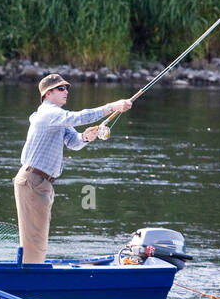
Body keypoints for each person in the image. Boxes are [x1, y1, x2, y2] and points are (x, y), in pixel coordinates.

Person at [14, 74, 132, 264]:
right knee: (35, 239)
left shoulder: (57, 118)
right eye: (61, 88)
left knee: (38, 237)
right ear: (47, 93)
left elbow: (73, 142)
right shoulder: (49, 113)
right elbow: (77, 117)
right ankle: (30, 278)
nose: (66, 91)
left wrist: (85, 137)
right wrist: (112, 107)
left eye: (66, 88)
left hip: (41, 183)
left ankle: (32, 273)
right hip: (33, 181)